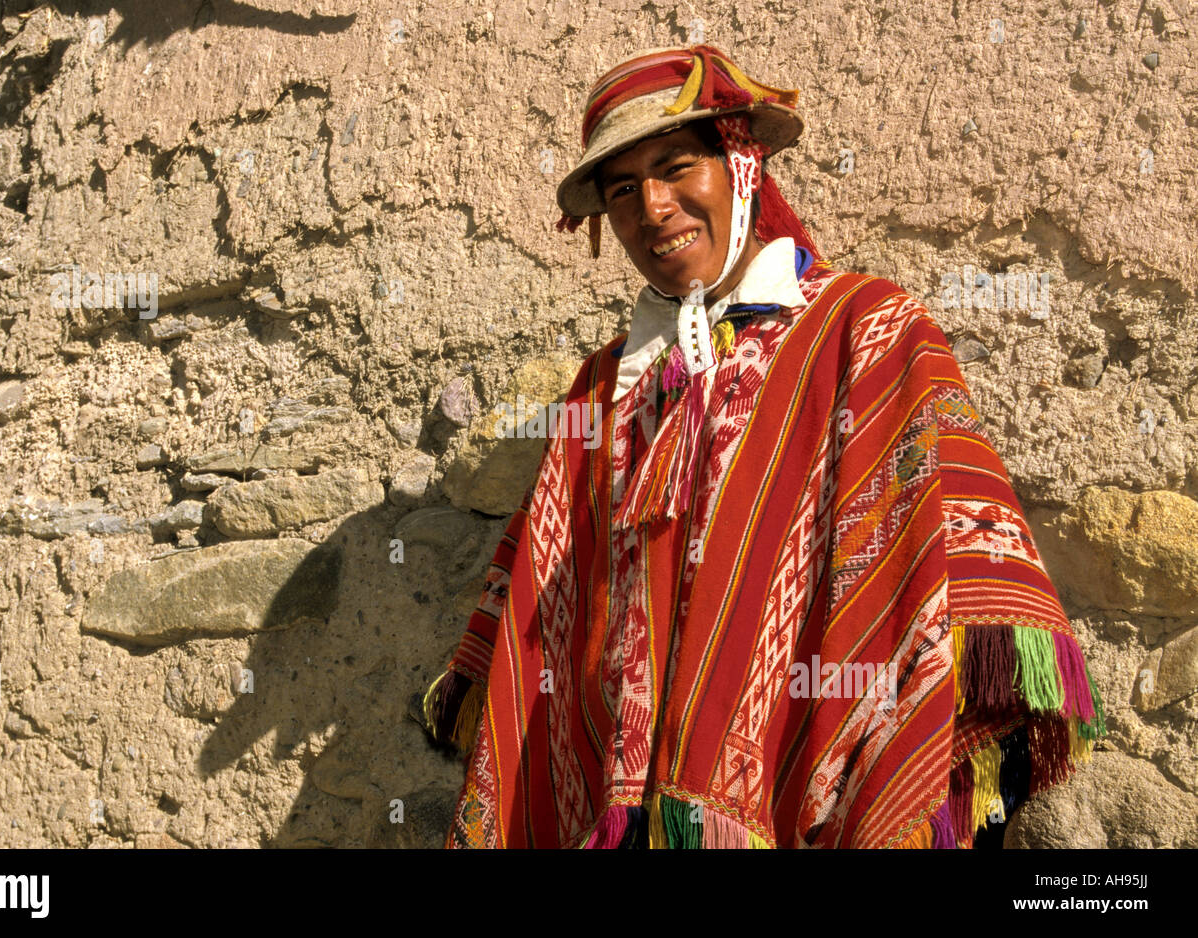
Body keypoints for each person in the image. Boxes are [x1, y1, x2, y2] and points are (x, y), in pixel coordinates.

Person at [422, 44, 1104, 848]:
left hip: (801, 795)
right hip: (619, 809)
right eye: (621, 192)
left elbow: (944, 579)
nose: (653, 208)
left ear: (742, 164)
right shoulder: (605, 386)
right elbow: (548, 593)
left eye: (679, 168)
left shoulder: (867, 331)